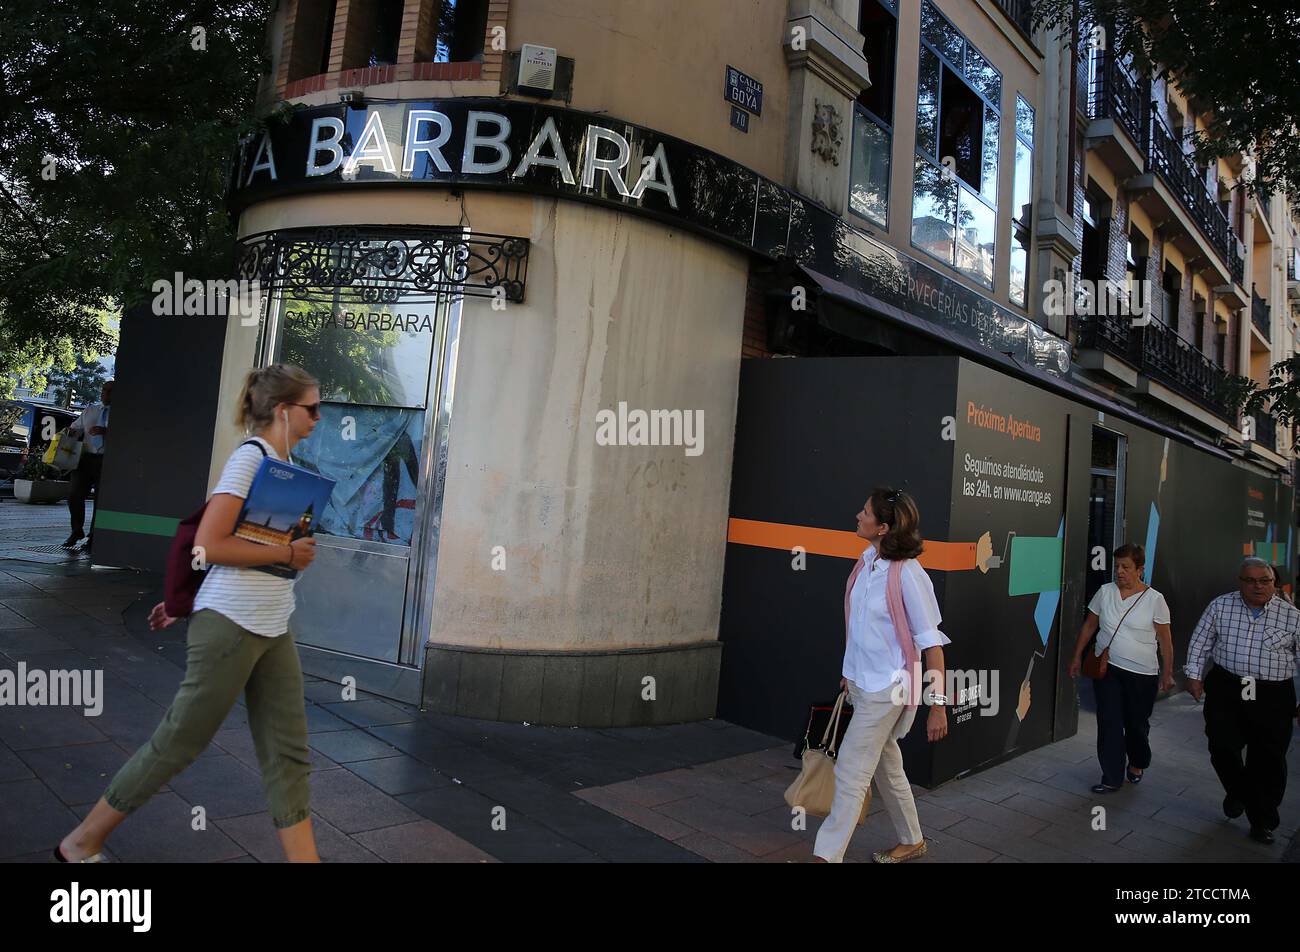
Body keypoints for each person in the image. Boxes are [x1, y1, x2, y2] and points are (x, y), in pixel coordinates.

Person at [56, 364, 324, 863]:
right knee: (180, 742)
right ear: (284, 411)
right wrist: (287, 554)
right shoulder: (250, 461)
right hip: (231, 624)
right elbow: (210, 544)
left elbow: (239, 545)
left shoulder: (284, 469)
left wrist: (186, 599)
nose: (319, 418)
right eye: (312, 408)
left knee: (289, 755)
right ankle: (81, 841)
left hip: (270, 623)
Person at [812, 488, 950, 864]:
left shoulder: (909, 575)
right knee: (888, 768)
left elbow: (932, 646)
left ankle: (826, 856)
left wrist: (938, 707)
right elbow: (860, 629)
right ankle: (912, 839)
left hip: (888, 689)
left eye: (866, 512)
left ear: (883, 527)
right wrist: (849, 673)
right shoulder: (866, 560)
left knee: (851, 771)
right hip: (862, 684)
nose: (858, 515)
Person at [1185, 557, 1300, 845]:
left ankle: (1262, 821)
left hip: (1272, 695)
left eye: (1264, 581)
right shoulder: (1220, 605)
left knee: (1269, 760)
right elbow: (1201, 641)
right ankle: (1238, 791)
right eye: (1250, 581)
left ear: (1274, 582)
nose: (1257, 586)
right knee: (1221, 745)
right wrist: (1194, 675)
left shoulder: (1292, 616)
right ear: (1240, 582)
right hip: (1227, 687)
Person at [1068, 543, 1174, 794]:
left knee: (1136, 725)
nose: (1120, 571)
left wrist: (1167, 672)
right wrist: (1076, 657)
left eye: (1126, 567)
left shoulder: (1155, 600)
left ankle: (1138, 762)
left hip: (1142, 674)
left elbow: (1165, 641)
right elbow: (1089, 626)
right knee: (1109, 721)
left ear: (1140, 569)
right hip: (1108, 669)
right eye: (1117, 566)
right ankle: (1111, 776)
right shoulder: (1105, 592)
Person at [62, 379, 112, 549]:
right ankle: (76, 530)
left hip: (107, 461)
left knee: (101, 500)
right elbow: (75, 428)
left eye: (110, 391)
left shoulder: (123, 413)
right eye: (104, 390)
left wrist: (106, 431)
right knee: (74, 494)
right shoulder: (90, 410)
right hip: (85, 458)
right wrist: (71, 432)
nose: (105, 393)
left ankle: (94, 536)